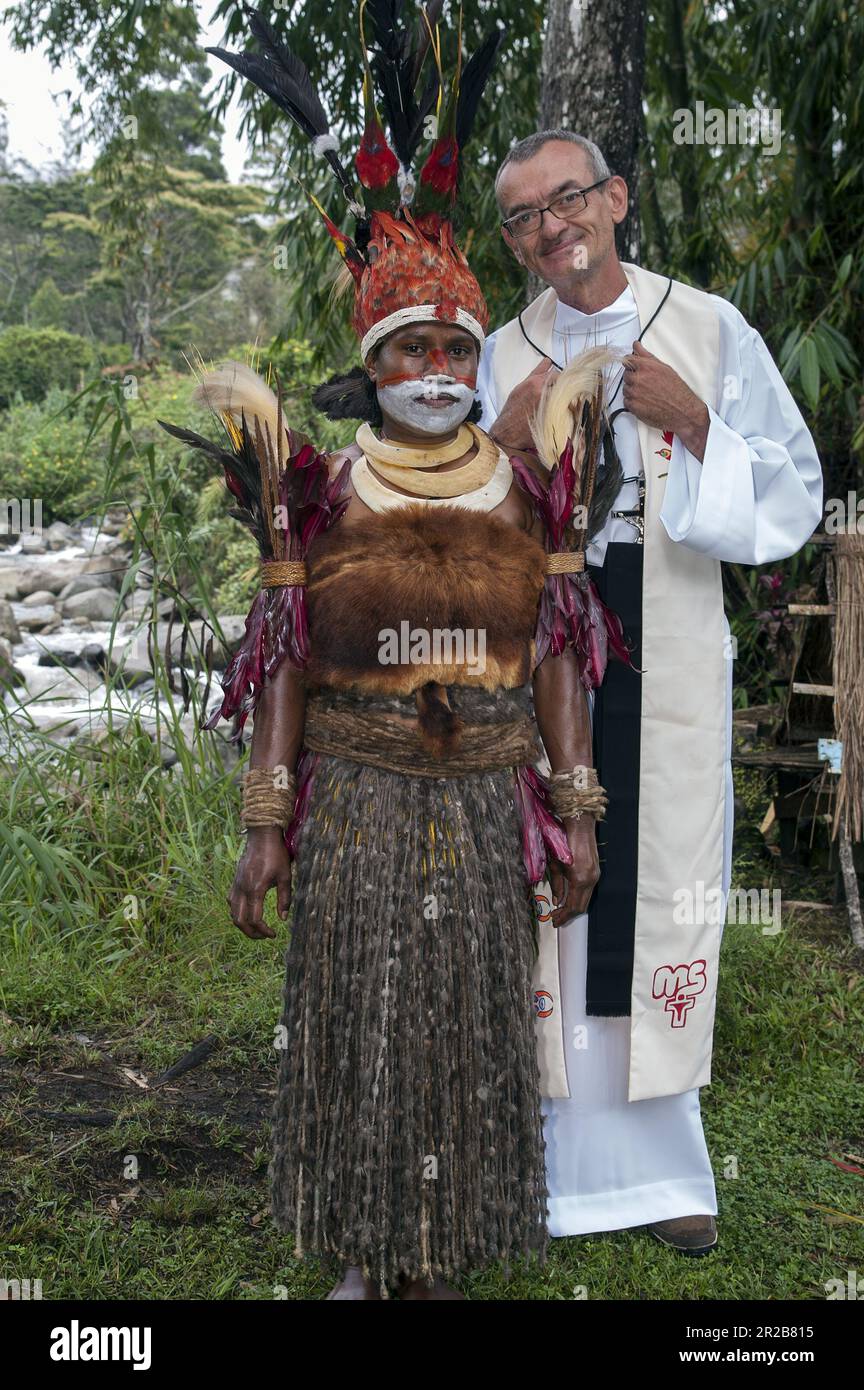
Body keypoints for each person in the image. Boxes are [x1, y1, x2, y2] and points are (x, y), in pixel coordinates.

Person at [159, 8, 627, 1300]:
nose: (436, 366)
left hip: (484, 801)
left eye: (457, 347)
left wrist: (576, 811)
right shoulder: (322, 488)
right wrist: (267, 818)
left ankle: (435, 1249)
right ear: (372, 367)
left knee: (461, 1029)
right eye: (411, 348)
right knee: (361, 1022)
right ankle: (368, 1247)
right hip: (358, 801)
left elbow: (559, 655)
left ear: (482, 361)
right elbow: (289, 662)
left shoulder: (530, 488)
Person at [476, 129, 823, 1254]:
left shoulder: (711, 328)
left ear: (614, 197)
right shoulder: (498, 348)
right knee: (551, 871)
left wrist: (697, 419)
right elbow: (450, 520)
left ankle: (665, 1168)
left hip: (668, 627)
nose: (549, 228)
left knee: (666, 874)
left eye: (567, 198)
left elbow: (795, 488)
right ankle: (539, 1162)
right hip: (542, 641)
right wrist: (501, 437)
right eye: (523, 216)